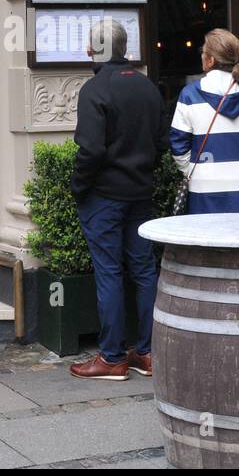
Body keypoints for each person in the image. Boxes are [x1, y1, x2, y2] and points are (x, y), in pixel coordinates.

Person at [69, 19, 169, 381]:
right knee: (144, 270)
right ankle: (148, 352)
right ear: (124, 48)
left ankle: (112, 358)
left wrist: (79, 186)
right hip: (140, 193)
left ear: (94, 50)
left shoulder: (94, 89)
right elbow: (161, 144)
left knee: (109, 271)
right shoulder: (147, 87)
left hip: (105, 196)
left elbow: (90, 150)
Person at [170, 28, 239, 213]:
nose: (201, 56)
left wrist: (196, 171)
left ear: (210, 60)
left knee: (207, 240)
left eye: (203, 52)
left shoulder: (189, 95)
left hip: (204, 188)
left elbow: (178, 146)